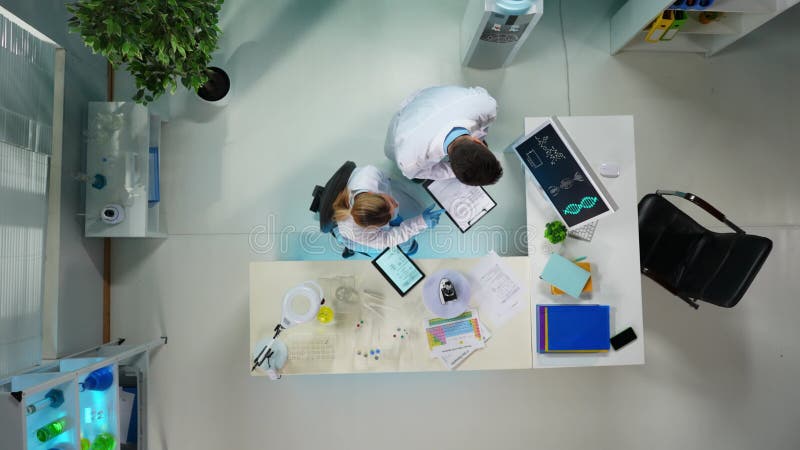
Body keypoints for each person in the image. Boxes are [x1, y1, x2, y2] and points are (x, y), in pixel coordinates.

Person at [384, 85, 503, 186]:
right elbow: (415, 172)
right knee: (413, 176)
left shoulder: (487, 105)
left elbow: (480, 93)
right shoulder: (410, 161)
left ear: (478, 142)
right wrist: (458, 170)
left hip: (439, 96)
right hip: (408, 115)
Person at [332, 165, 444, 253]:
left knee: (400, 220)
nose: (396, 205)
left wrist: (419, 222)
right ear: (375, 226)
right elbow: (387, 239)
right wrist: (420, 223)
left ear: (372, 192)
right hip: (357, 238)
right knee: (407, 249)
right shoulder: (354, 232)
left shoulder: (370, 174)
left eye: (391, 202)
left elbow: (386, 182)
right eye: (389, 216)